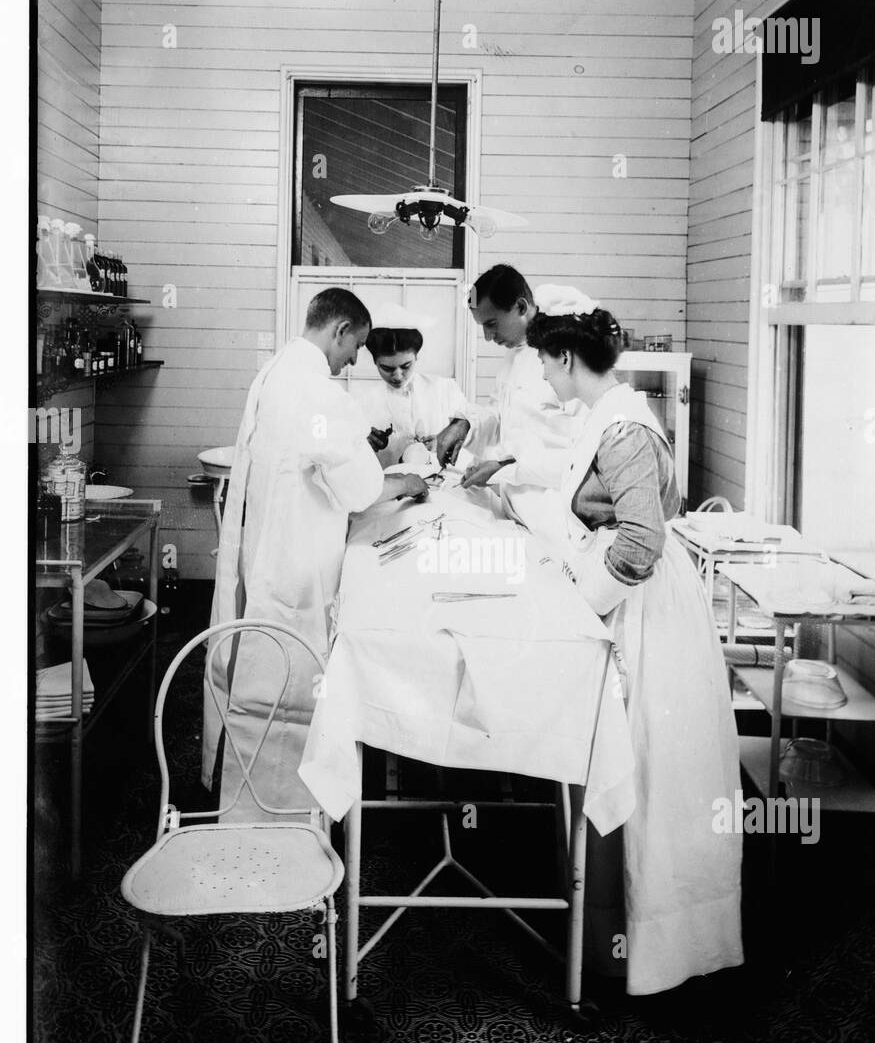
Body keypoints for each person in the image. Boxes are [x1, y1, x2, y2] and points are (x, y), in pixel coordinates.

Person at [526, 292, 744, 996]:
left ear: (565, 357)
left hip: (645, 615)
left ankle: (648, 949)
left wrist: (586, 605)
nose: (541, 377)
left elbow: (641, 541)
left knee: (649, 772)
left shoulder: (623, 429)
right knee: (628, 769)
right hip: (632, 601)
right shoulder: (608, 415)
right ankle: (611, 940)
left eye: (543, 362)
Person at [201, 287, 428, 820]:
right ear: (340, 330)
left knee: (257, 667)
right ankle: (281, 808)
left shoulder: (275, 373)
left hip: (267, 548)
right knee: (291, 680)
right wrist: (404, 479)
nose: (354, 360)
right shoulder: (320, 393)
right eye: (357, 346)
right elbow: (358, 490)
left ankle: (245, 788)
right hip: (297, 565)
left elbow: (316, 459)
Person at [435, 264, 586, 540]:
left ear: (520, 306)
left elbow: (583, 457)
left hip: (559, 520)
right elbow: (502, 415)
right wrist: (464, 423)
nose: (488, 337)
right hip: (518, 510)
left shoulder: (567, 357)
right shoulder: (515, 355)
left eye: (491, 324)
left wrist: (505, 468)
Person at [356, 302, 478, 469]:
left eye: (406, 366)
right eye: (387, 368)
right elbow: (350, 458)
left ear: (417, 357)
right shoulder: (363, 403)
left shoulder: (445, 390)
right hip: (390, 490)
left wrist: (445, 442)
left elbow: (474, 437)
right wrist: (362, 445)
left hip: (441, 489)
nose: (398, 376)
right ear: (375, 362)